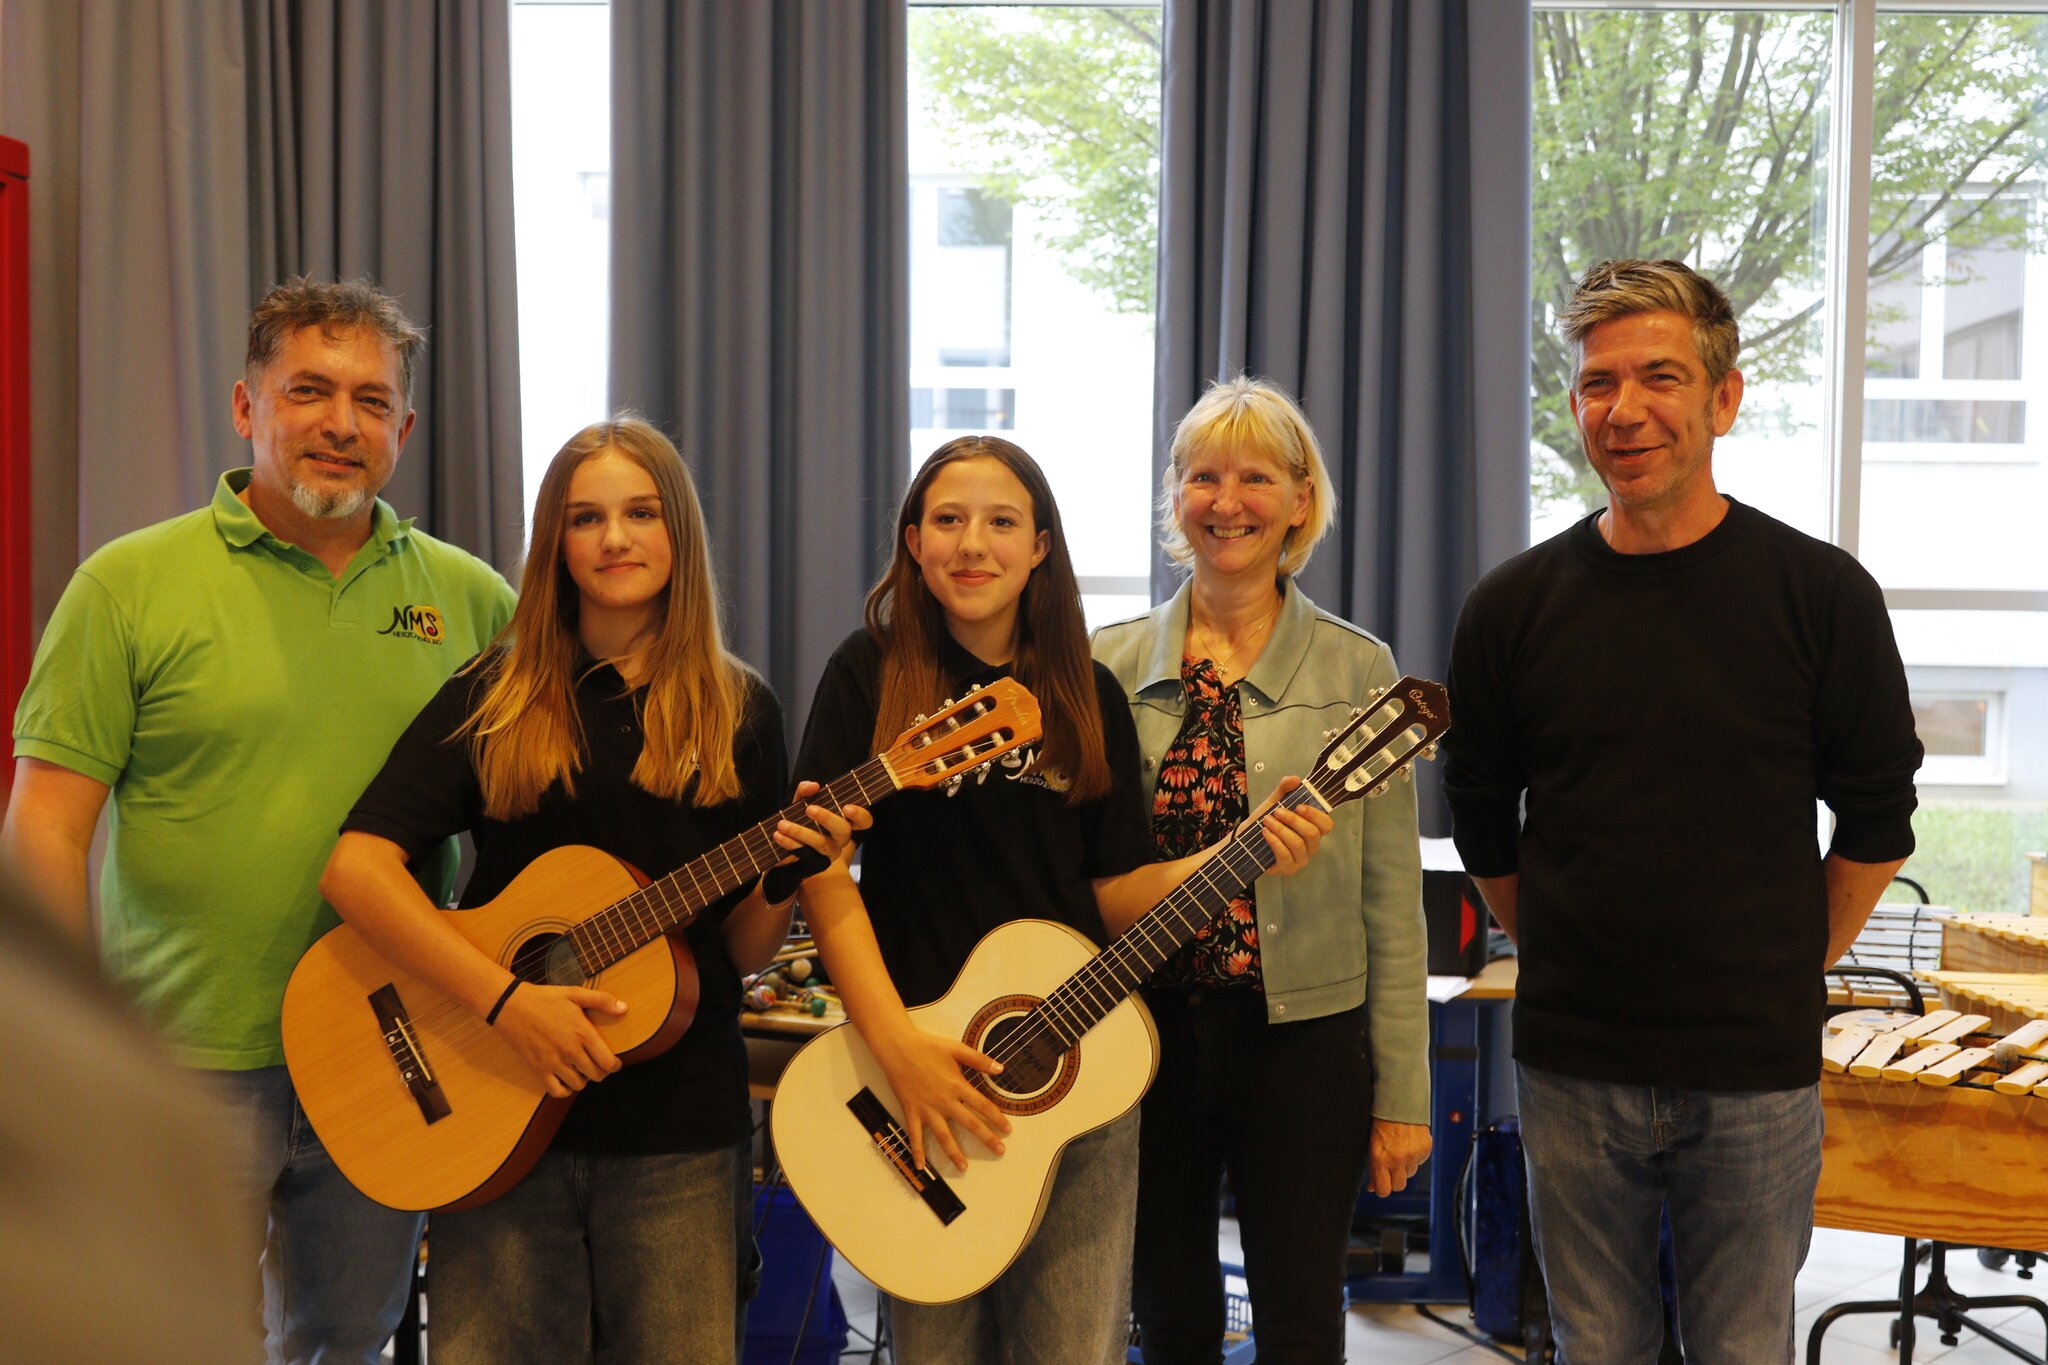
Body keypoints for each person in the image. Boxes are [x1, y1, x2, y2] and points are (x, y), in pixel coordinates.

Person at [1, 277, 516, 1363]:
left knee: (351, 1341)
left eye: (371, 402)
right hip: (179, 1063)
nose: (341, 424)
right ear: (247, 408)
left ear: (404, 429)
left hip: (390, 1053)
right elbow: (46, 828)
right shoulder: (127, 587)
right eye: (309, 392)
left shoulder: (474, 602)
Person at [1441, 258, 1922, 1361]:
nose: (1623, 409)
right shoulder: (1510, 607)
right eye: (1596, 383)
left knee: (1741, 1346)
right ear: (1572, 407)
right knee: (1592, 1345)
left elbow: (1876, 815)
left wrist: (1793, 954)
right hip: (1569, 1060)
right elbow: (1477, 813)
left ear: (1722, 398)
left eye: (1657, 377)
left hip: (1753, 1066)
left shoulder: (1818, 594)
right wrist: (1558, 946)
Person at [320, 417, 860, 1364]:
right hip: (493, 1111)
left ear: (678, 533)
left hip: (678, 1140)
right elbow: (357, 867)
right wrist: (505, 998)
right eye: (587, 517)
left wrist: (791, 873)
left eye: (641, 512)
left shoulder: (740, 710)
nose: (615, 538)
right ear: (556, 544)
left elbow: (739, 953)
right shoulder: (497, 692)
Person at [791, 434, 1333, 1364]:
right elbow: (819, 870)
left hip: (1076, 1084)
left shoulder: (1086, 692)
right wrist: (897, 1046)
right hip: (918, 1080)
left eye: (1002, 521)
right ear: (913, 541)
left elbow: (1113, 895)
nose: (974, 544)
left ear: (1041, 545)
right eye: (949, 520)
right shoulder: (867, 672)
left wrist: (1240, 854)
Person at [1090, 376, 1430, 1365]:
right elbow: (1075, 872)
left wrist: (1401, 1092)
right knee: (1167, 1309)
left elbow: (1390, 906)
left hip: (1303, 1047)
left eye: (1253, 477)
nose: (1225, 501)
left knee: (1297, 1314)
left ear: (1297, 500)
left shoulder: (1355, 669)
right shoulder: (1105, 663)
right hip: (1139, 1035)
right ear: (1175, 498)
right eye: (1202, 477)